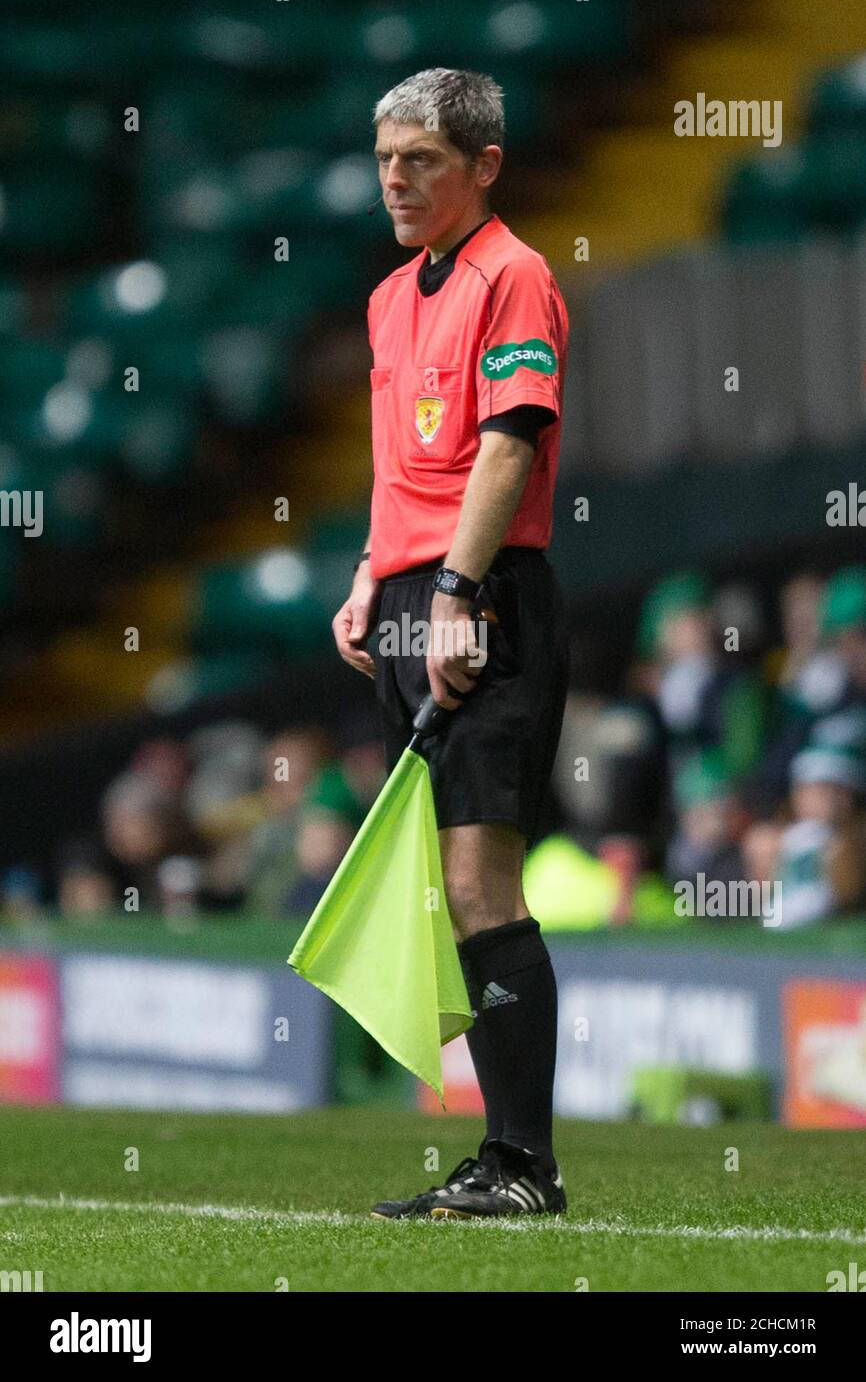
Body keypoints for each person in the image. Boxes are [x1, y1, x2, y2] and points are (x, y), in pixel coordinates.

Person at [331, 68, 570, 1219]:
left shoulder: (512, 274)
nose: (393, 177)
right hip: (408, 594)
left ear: (482, 166)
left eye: (419, 159)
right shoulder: (386, 298)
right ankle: (496, 1156)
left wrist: (457, 592)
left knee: (481, 881)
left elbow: (507, 447)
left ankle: (522, 1163)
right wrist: (369, 580)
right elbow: (396, 466)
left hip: (482, 597)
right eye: (384, 157)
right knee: (447, 886)